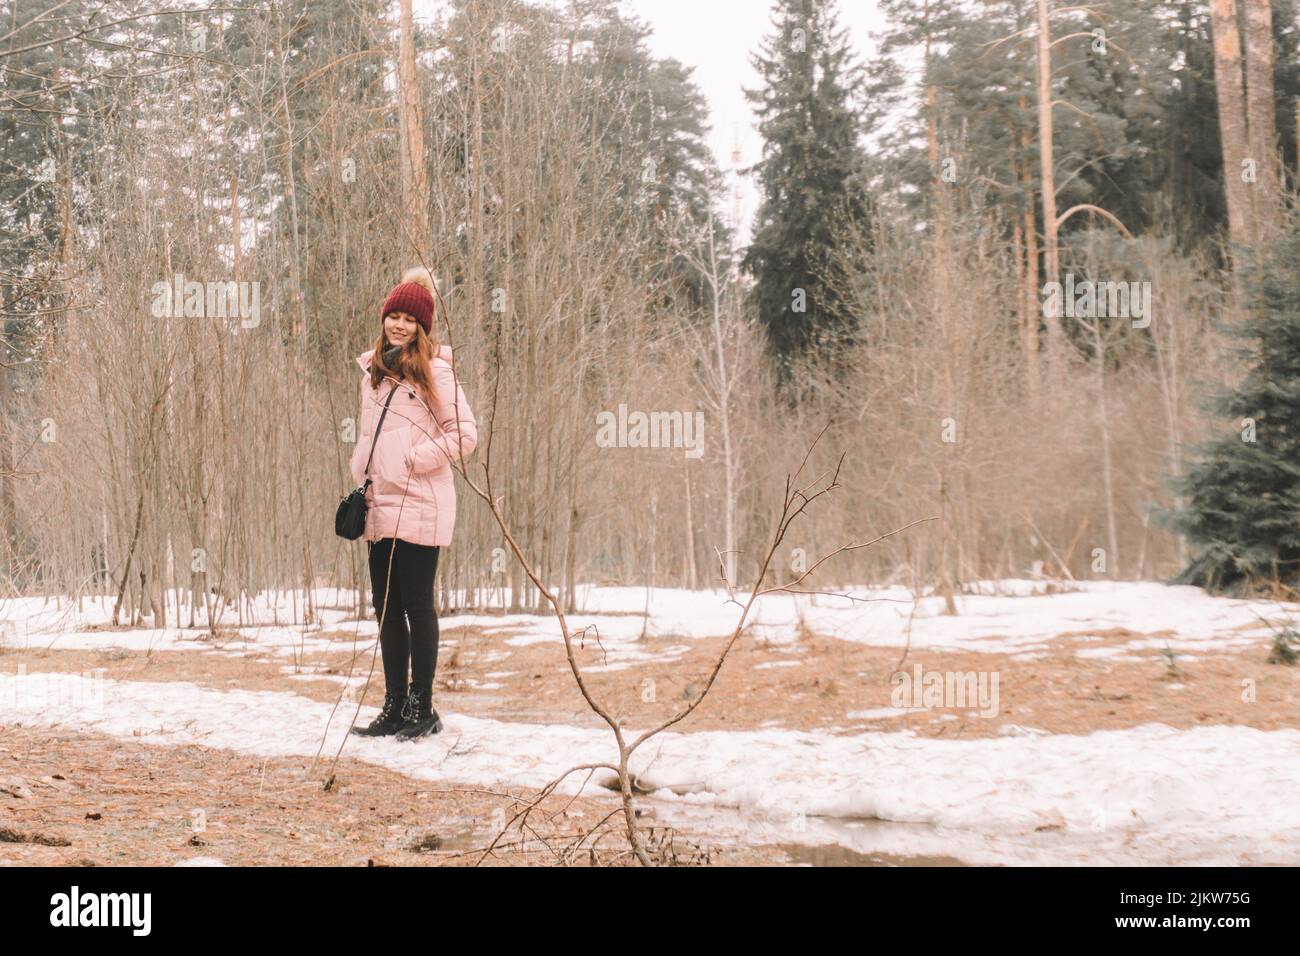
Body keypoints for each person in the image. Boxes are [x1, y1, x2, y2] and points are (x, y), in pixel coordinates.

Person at [348, 267, 477, 740]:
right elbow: (369, 434)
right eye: (393, 316)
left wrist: (412, 460)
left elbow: (464, 435)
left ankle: (424, 707)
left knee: (417, 606)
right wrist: (362, 463)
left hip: (422, 501)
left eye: (409, 319)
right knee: (385, 608)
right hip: (381, 504)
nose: (398, 325)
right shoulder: (374, 375)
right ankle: (395, 705)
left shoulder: (435, 370)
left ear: (423, 327)